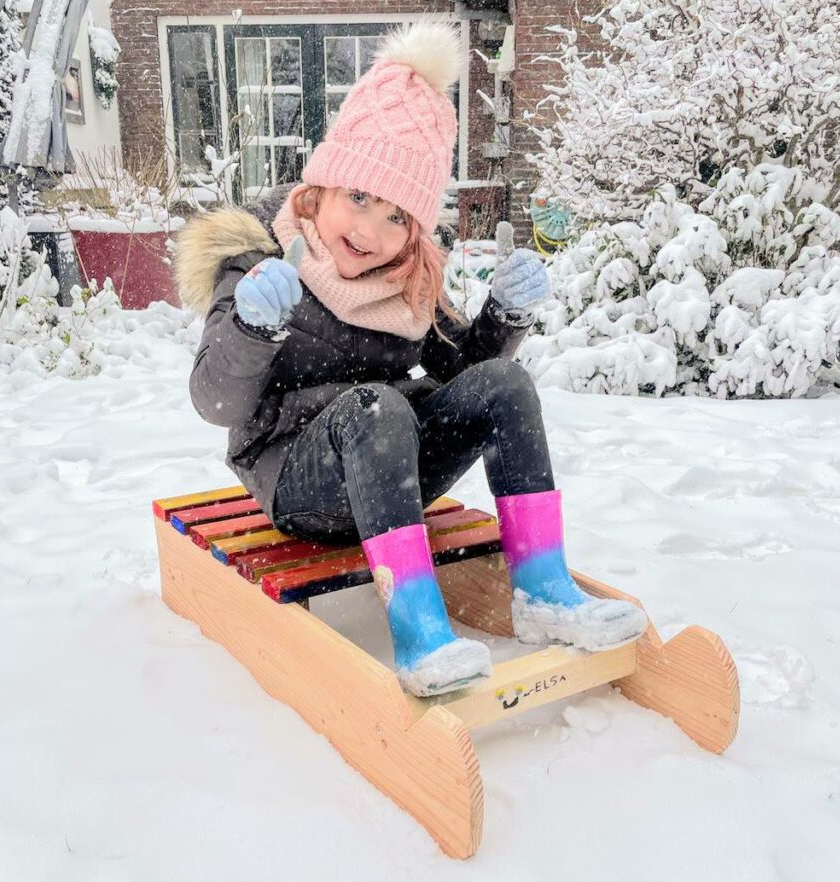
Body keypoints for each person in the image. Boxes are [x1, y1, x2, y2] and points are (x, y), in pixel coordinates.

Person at [176, 18, 646, 698]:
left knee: (505, 384)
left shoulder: (409, 281)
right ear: (322, 186)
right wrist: (253, 325)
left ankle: (544, 590)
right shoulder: (261, 260)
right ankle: (421, 632)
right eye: (359, 198)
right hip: (299, 482)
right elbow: (214, 402)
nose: (369, 230)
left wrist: (503, 317)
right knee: (378, 406)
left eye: (397, 215)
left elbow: (463, 370)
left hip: (393, 473)